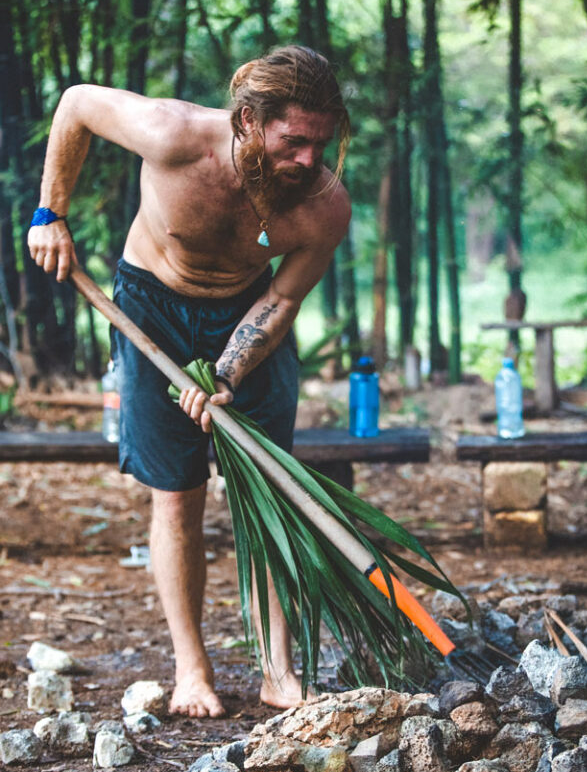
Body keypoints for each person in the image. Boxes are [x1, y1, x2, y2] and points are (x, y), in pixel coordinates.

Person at [27, 46, 352, 718]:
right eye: (294, 142)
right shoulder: (173, 134)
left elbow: (283, 299)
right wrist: (49, 214)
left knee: (269, 489)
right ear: (248, 120)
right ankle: (191, 667)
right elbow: (77, 103)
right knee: (177, 495)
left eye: (321, 144)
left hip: (249, 311)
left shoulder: (323, 205)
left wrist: (228, 371)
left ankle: (278, 670)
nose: (309, 160)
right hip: (151, 305)